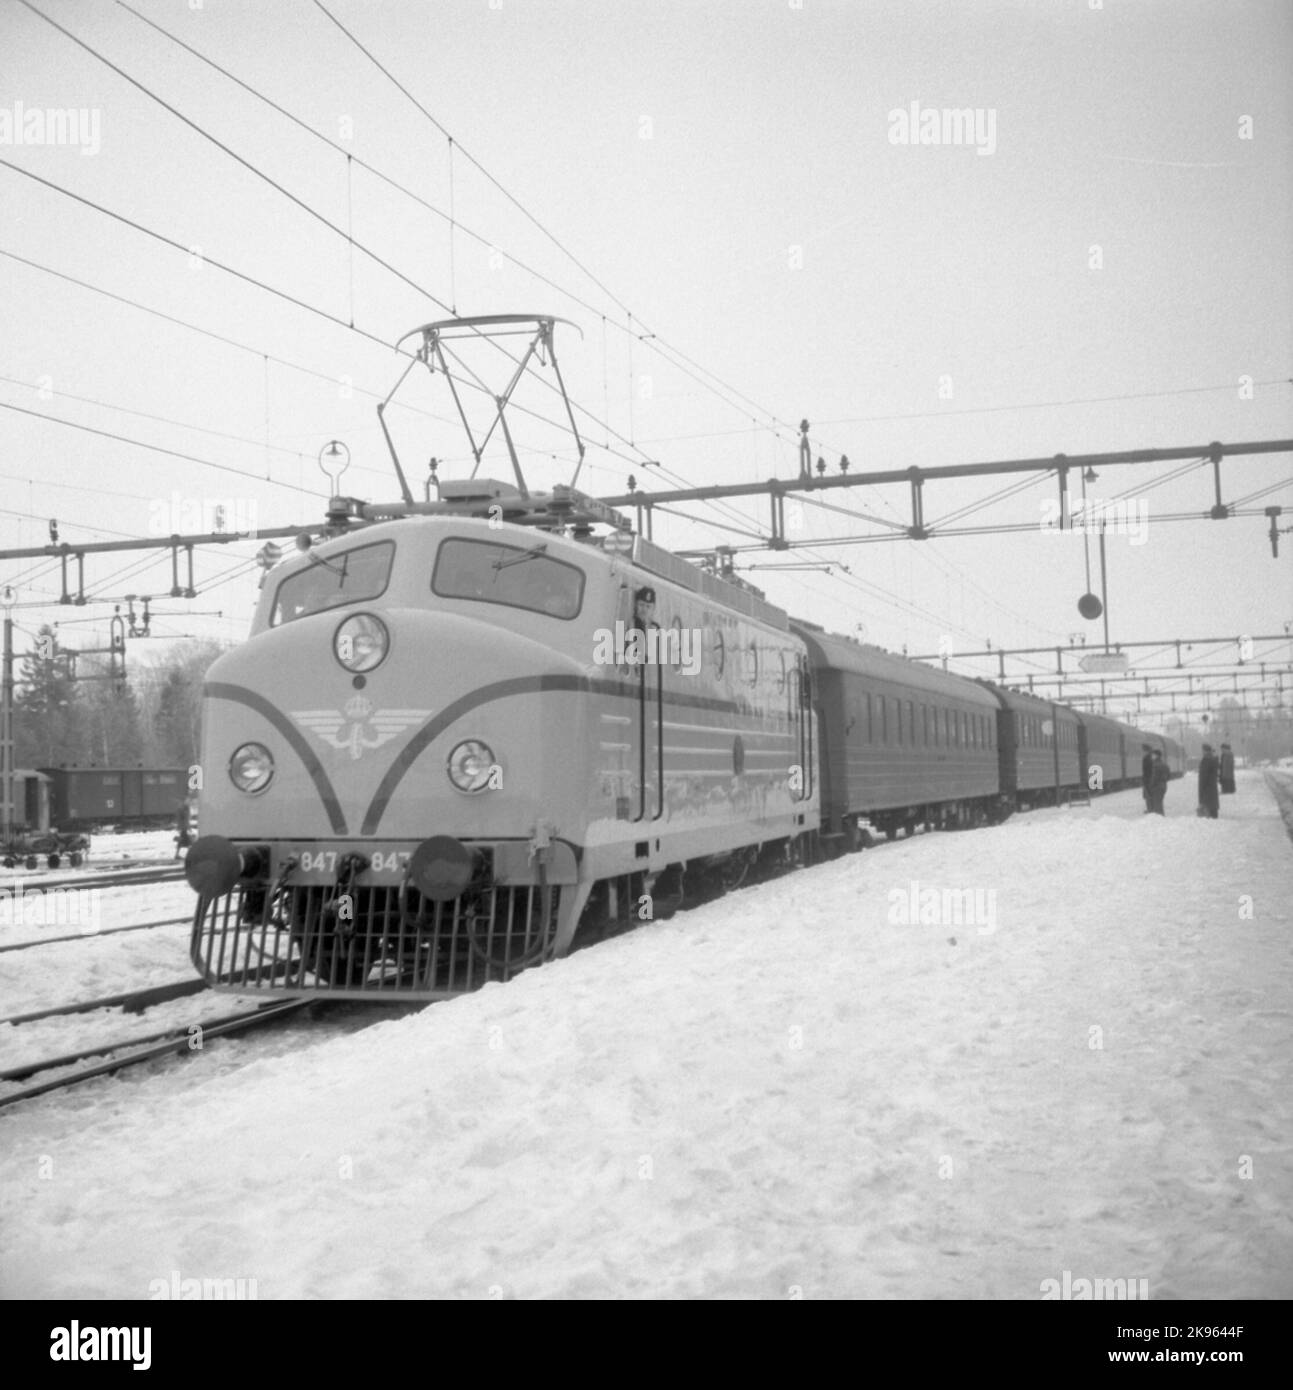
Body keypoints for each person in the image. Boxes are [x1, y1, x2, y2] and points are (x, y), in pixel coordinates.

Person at [1197, 744, 1220, 819]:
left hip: (1207, 786)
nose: (1202, 752)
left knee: (1206, 802)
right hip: (1212, 785)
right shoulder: (1213, 759)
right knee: (1212, 803)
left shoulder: (1206, 760)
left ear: (1205, 751)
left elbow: (1204, 775)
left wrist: (1202, 787)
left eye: (1203, 750)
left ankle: (1208, 816)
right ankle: (1213, 815)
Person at [1149, 748, 1169, 815]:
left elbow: (1154, 778)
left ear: (1156, 755)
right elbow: (1169, 776)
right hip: (1164, 786)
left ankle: (1160, 820)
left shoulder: (1155, 765)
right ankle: (1161, 818)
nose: (1152, 756)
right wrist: (1164, 780)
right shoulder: (1165, 764)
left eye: (1153, 755)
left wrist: (1151, 785)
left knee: (1157, 806)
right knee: (1159, 803)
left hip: (1157, 787)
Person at [1141, 743, 1154, 813]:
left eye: (1143, 750)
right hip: (1150, 779)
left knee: (1148, 795)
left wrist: (1145, 780)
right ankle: (1151, 808)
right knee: (1149, 795)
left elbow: (1146, 771)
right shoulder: (1151, 758)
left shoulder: (1146, 759)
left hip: (1148, 780)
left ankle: (1150, 809)